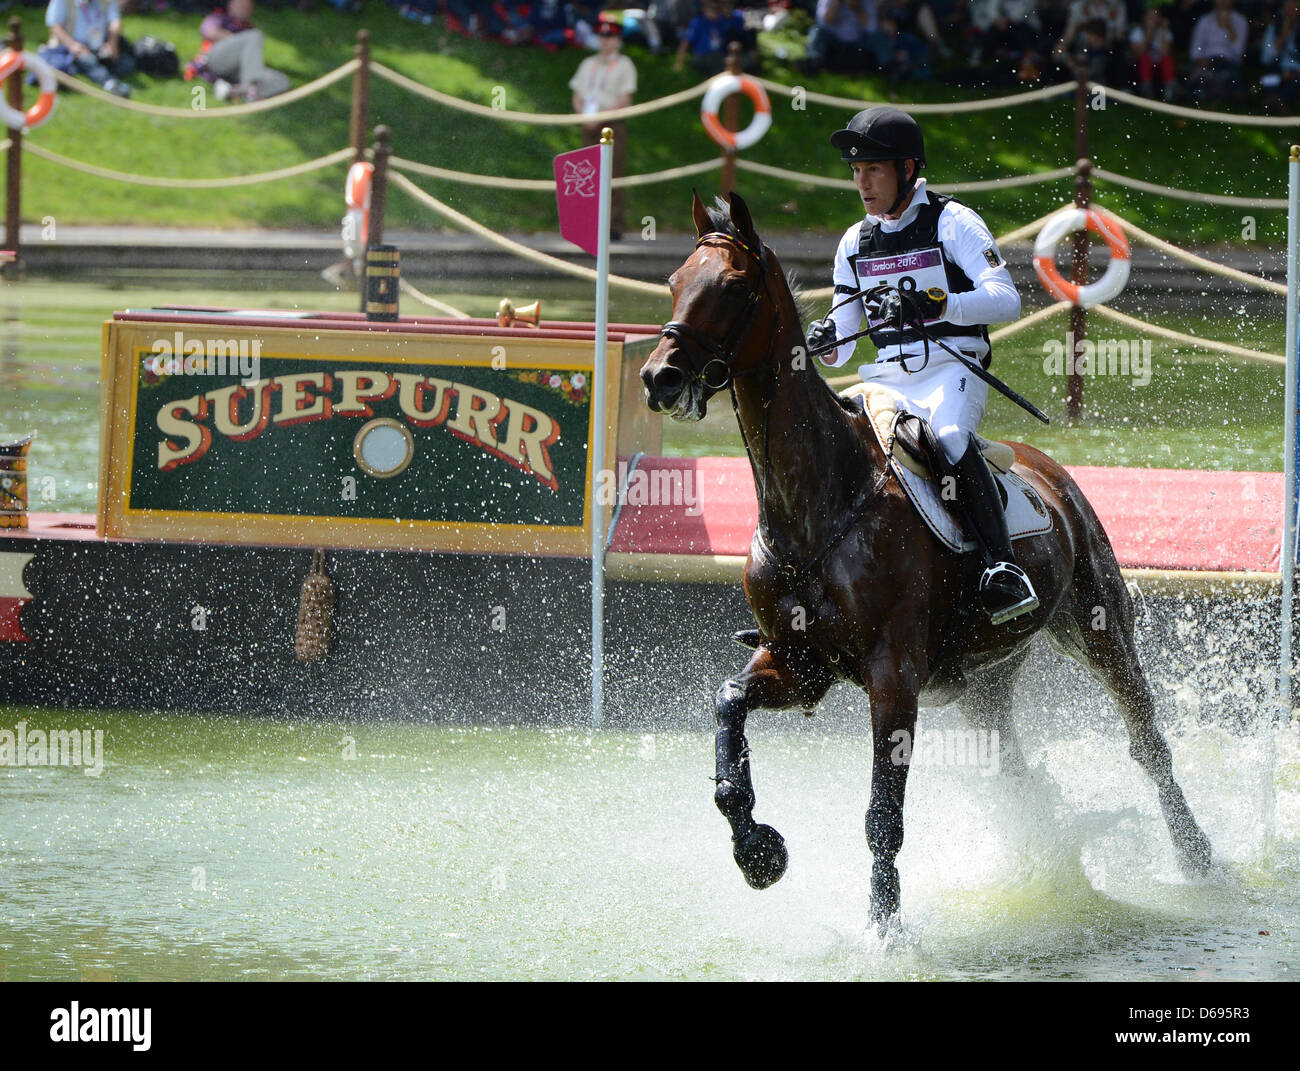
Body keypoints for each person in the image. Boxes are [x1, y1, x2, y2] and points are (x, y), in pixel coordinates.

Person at [804, 106, 1037, 625]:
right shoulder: (854, 241)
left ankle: (1002, 568)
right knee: (835, 447)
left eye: (874, 171)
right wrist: (825, 339)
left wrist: (938, 305)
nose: (862, 183)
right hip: (888, 379)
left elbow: (1006, 300)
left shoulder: (952, 221)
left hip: (953, 370)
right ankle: (810, 585)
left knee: (949, 437)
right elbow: (844, 341)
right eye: (856, 172)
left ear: (908, 169)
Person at [570, 20, 636, 238]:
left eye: (610, 37)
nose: (605, 41)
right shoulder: (588, 63)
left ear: (618, 41)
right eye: (602, 37)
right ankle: (585, 224)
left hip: (612, 124)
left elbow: (624, 98)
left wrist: (601, 117)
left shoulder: (625, 64)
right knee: (584, 176)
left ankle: (613, 226)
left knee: (612, 174)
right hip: (588, 123)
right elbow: (577, 95)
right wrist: (584, 116)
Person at [197, 0, 290, 102]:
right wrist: (239, 41)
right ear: (230, 5)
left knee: (282, 80)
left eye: (247, 6)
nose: (243, 8)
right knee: (255, 35)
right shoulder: (219, 17)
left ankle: (233, 91)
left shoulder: (249, 27)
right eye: (240, 5)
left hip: (238, 69)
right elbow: (209, 32)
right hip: (215, 60)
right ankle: (249, 88)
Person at [41, 0, 135, 98]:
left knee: (127, 63)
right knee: (88, 61)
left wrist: (112, 43)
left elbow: (115, 22)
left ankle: (94, 70)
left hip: (100, 46)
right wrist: (72, 45)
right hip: (71, 47)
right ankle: (110, 83)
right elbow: (55, 26)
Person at [1187, 0, 1250, 103]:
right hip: (1207, 59)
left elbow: (1239, 53)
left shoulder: (1240, 21)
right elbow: (1195, 49)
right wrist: (1200, 60)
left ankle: (1231, 95)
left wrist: (1230, 29)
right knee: (1198, 73)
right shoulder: (1205, 20)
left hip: (1229, 61)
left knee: (1230, 74)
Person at [803, 0, 884, 75]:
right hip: (832, 42)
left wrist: (856, 8)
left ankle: (887, 67)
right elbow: (822, 23)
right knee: (817, 31)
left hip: (857, 45)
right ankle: (813, 62)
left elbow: (872, 28)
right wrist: (836, 2)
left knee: (879, 37)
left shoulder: (866, 2)